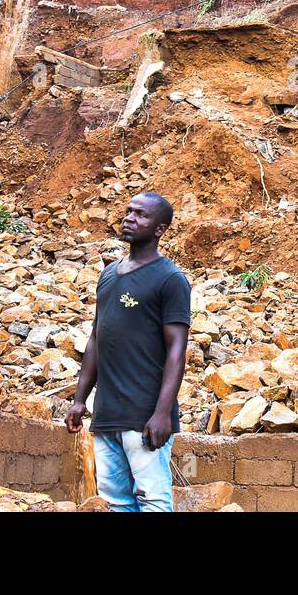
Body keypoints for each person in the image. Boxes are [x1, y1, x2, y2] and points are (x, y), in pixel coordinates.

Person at [65, 192, 191, 511]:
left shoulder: (170, 279)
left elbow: (177, 350)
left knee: (153, 498)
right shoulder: (109, 274)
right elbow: (96, 338)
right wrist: (80, 400)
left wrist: (163, 413)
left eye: (141, 215)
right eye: (129, 211)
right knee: (115, 501)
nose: (130, 218)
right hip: (107, 413)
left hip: (144, 414)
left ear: (160, 229)